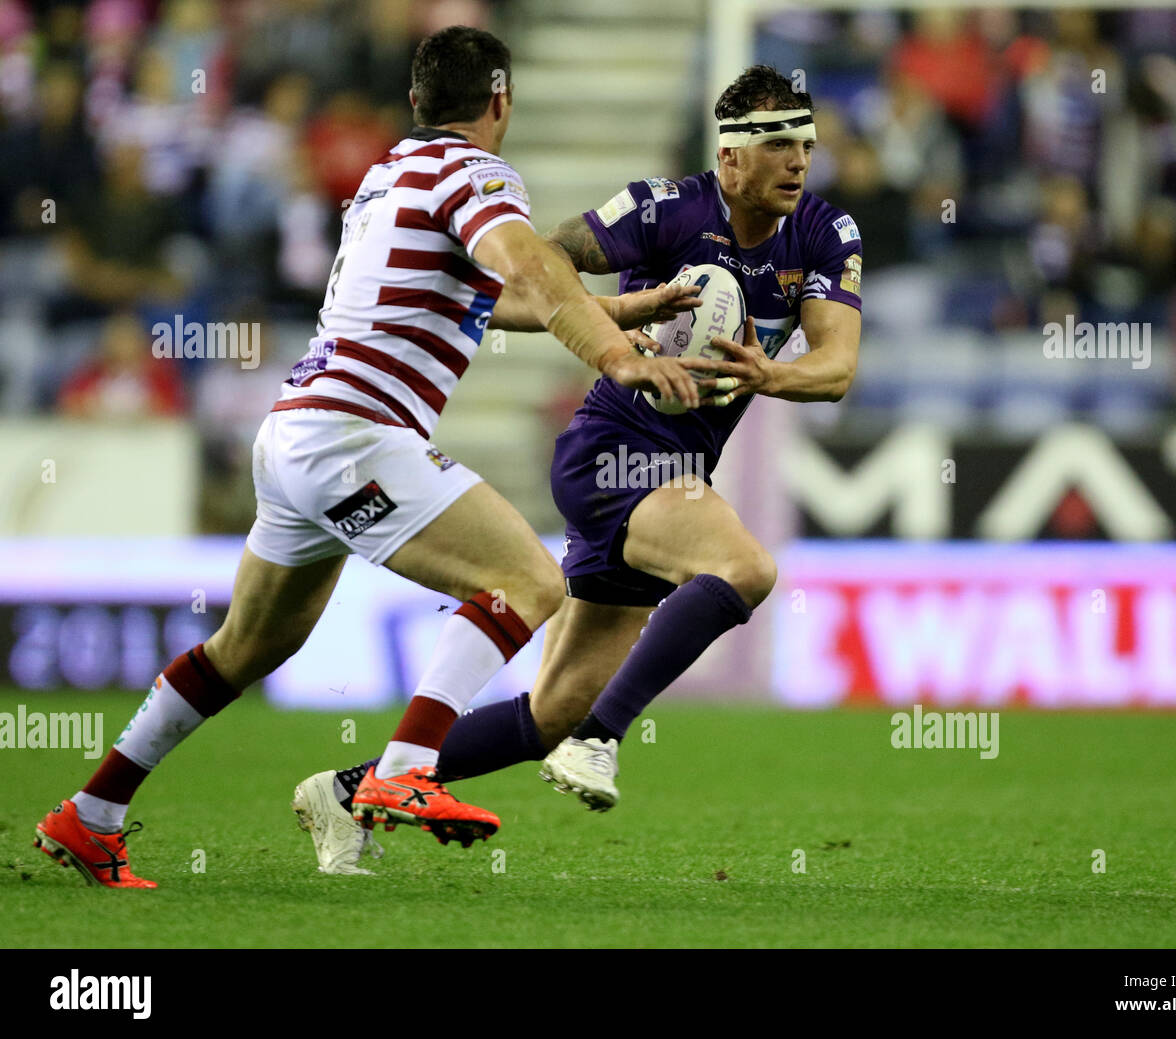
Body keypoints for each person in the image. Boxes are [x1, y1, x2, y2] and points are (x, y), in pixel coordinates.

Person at [33, 25, 711, 889]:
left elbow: (470, 296)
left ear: (417, 102)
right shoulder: (480, 173)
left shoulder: (386, 174)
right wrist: (621, 358)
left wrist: (621, 307)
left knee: (242, 647)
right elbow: (528, 272)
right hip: (359, 429)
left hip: (294, 433)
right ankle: (402, 768)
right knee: (529, 583)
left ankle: (91, 813)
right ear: (501, 100)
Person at [302, 65, 862, 874]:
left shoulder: (822, 233)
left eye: (804, 144)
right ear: (730, 159)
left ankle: (348, 790)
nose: (799, 160)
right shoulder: (664, 208)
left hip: (675, 469)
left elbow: (838, 366)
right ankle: (605, 738)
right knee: (743, 566)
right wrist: (610, 320)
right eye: (777, 144)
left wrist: (770, 373)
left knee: (549, 714)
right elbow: (533, 268)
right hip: (611, 451)